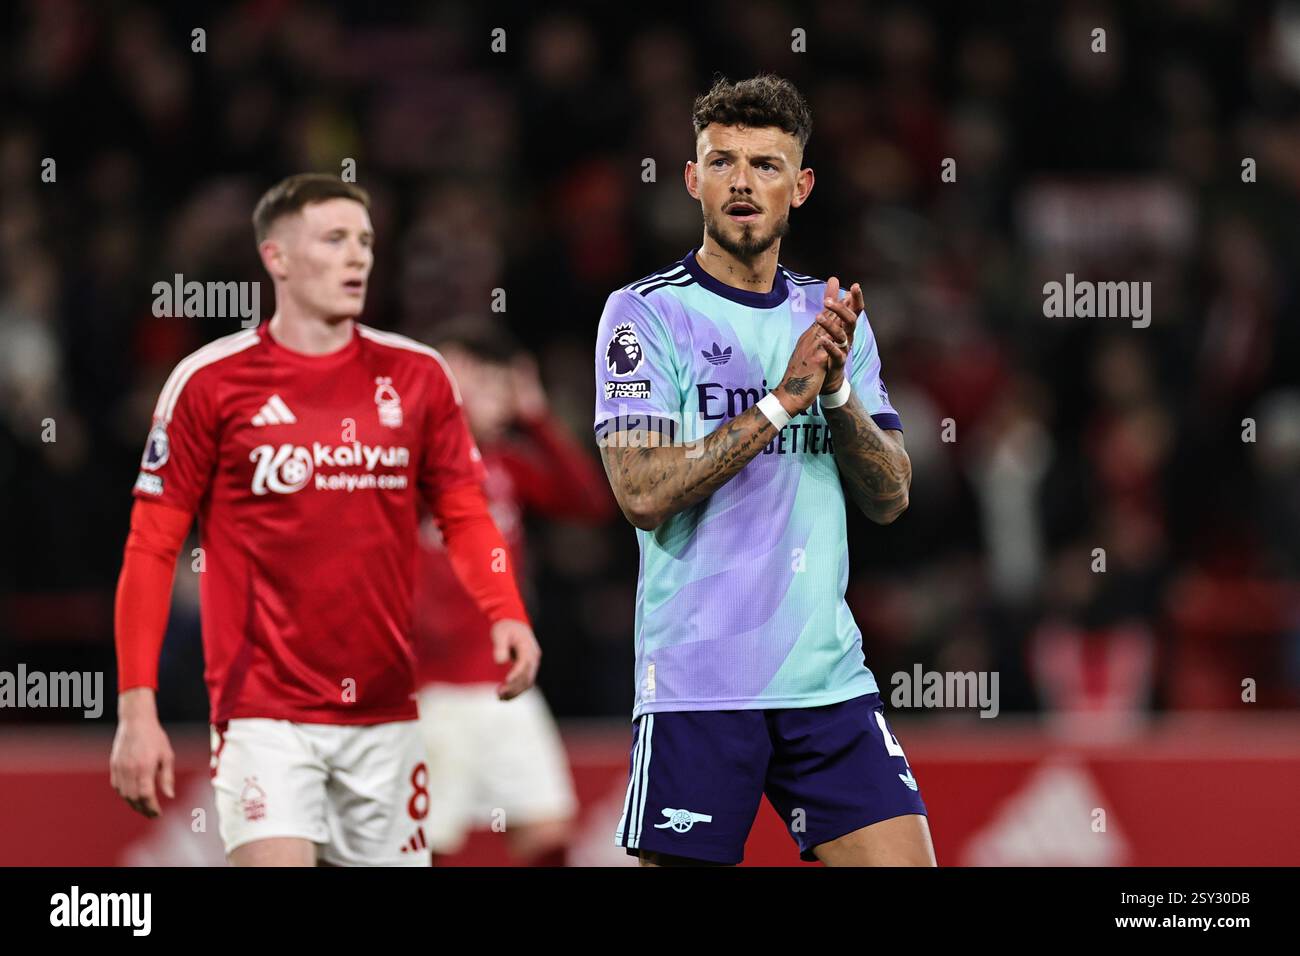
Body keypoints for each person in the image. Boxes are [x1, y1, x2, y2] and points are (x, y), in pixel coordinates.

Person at [110, 174, 540, 867]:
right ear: (276, 257)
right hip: (263, 712)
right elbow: (152, 548)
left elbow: (465, 512)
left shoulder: (418, 375)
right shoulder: (209, 382)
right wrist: (136, 710)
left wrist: (505, 610)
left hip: (390, 713)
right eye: (335, 239)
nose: (358, 257)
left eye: (366, 242)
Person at [593, 75, 936, 866]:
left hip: (828, 682)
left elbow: (890, 497)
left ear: (802, 186)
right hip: (701, 685)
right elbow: (641, 492)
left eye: (766, 165)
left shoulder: (832, 314)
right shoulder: (645, 314)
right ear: (692, 179)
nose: (743, 182)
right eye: (723, 162)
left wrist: (839, 389)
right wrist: (782, 401)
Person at [412, 321, 615, 865]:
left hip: (504, 681)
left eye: (502, 386)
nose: (496, 398)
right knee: (427, 847)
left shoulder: (505, 466)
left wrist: (538, 417)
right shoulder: (409, 464)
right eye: (484, 383)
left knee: (547, 832)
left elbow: (590, 502)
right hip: (430, 688)